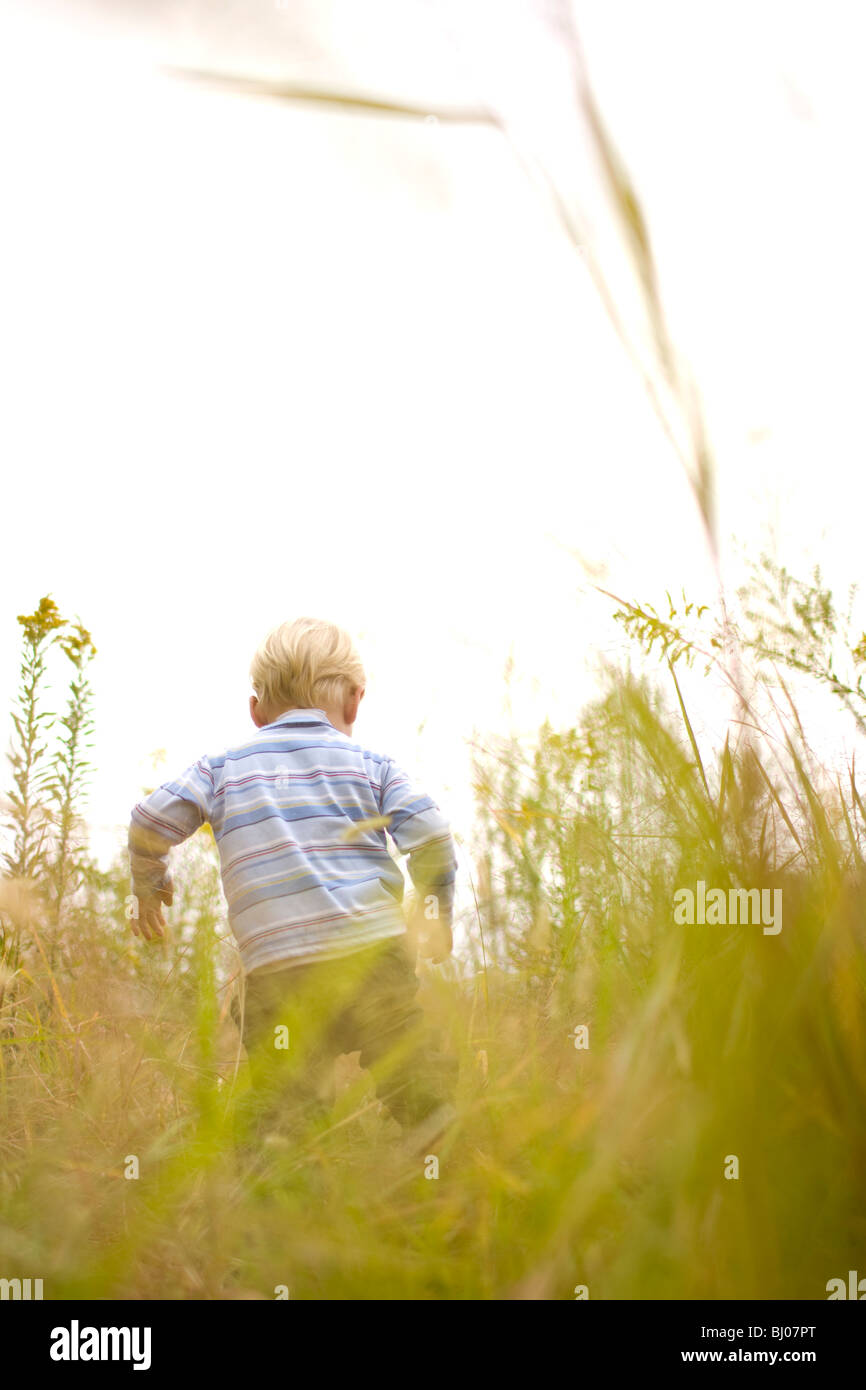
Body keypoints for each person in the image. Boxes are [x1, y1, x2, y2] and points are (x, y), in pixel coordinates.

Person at [127, 617, 459, 1150]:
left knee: (284, 1097)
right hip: (371, 961)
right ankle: (447, 1168)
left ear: (256, 711)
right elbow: (432, 833)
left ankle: (276, 1190)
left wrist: (150, 887)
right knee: (411, 1069)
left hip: (277, 977)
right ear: (355, 701)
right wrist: (436, 910)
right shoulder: (373, 766)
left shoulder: (220, 769)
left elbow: (148, 822)